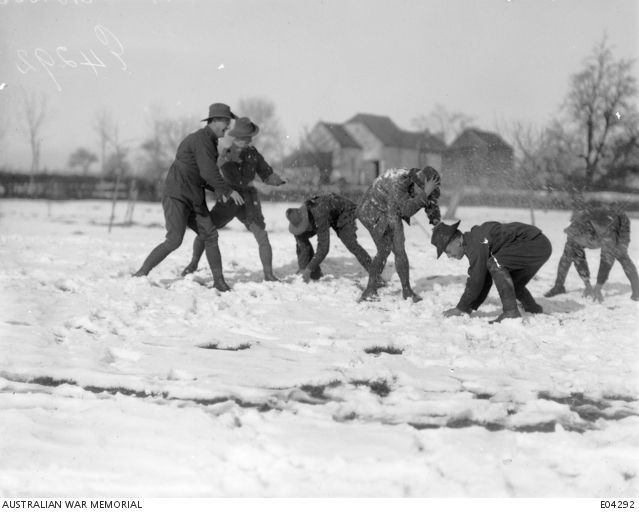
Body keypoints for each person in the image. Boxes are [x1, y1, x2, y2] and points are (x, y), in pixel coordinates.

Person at [132, 103, 243, 292]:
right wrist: (227, 190)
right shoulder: (201, 139)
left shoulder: (208, 141)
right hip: (177, 194)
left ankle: (219, 281)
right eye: (226, 122)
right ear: (215, 121)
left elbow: (200, 173)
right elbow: (208, 172)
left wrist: (218, 189)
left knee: (210, 235)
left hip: (193, 196)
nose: (229, 127)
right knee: (174, 239)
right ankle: (141, 273)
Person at [181, 117, 286, 282]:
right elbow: (233, 179)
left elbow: (266, 173)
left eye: (250, 137)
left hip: (250, 203)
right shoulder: (226, 154)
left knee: (262, 235)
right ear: (237, 137)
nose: (248, 140)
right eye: (245, 138)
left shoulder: (254, 154)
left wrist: (278, 179)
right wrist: (255, 184)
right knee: (206, 231)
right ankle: (193, 263)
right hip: (229, 201)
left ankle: (268, 274)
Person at [432, 220, 552, 323]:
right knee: (512, 283)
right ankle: (532, 308)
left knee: (494, 263)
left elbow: (476, 279)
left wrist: (461, 308)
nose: (448, 256)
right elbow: (485, 278)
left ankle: (511, 312)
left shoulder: (475, 243)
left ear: (457, 242)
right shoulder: (473, 242)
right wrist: (469, 307)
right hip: (541, 245)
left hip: (535, 243)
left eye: (447, 251)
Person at [355, 166, 441, 302]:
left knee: (400, 249)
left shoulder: (420, 181)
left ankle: (407, 292)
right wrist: (425, 192)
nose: (426, 193)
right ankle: (369, 290)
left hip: (391, 207)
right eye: (425, 190)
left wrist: (435, 220)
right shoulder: (398, 182)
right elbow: (407, 210)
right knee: (385, 249)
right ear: (418, 184)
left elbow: (429, 200)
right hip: (372, 210)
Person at [544, 208, 639, 302]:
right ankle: (558, 286)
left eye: (579, 241)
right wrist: (587, 285)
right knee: (568, 254)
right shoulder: (574, 234)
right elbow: (578, 258)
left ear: (587, 235)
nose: (577, 243)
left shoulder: (606, 232)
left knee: (620, 254)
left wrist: (598, 287)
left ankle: (637, 290)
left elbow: (606, 261)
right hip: (594, 225)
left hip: (618, 224)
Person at [286, 193, 372, 283]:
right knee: (301, 237)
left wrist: (309, 269)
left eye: (305, 226)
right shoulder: (296, 220)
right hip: (324, 214)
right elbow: (302, 246)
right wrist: (303, 268)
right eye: (302, 227)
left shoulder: (319, 213)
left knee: (351, 244)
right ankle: (315, 274)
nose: (305, 229)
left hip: (341, 212)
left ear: (306, 218)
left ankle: (373, 272)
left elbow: (323, 247)